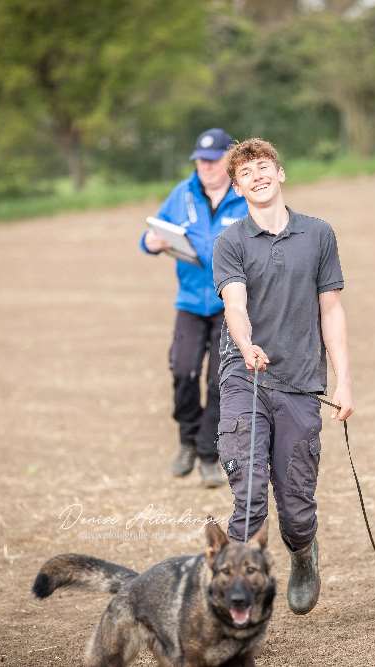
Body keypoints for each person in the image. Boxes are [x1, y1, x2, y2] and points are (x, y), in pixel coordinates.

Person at [211, 137, 354, 615]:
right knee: (249, 495)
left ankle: (303, 554)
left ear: (281, 173)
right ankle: (237, 605)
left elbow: (331, 311)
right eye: (246, 173)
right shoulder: (230, 241)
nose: (257, 176)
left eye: (264, 166)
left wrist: (344, 381)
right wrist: (247, 344)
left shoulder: (318, 234)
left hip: (300, 382)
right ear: (236, 187)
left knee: (295, 507)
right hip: (244, 377)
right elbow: (235, 302)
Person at [141, 128, 249, 488]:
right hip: (189, 302)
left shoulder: (244, 195)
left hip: (229, 304)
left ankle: (207, 454)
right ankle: (187, 438)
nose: (204, 166)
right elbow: (150, 234)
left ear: (229, 160)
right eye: (200, 160)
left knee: (221, 381)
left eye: (213, 159)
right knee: (183, 370)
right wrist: (151, 242)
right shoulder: (182, 193)